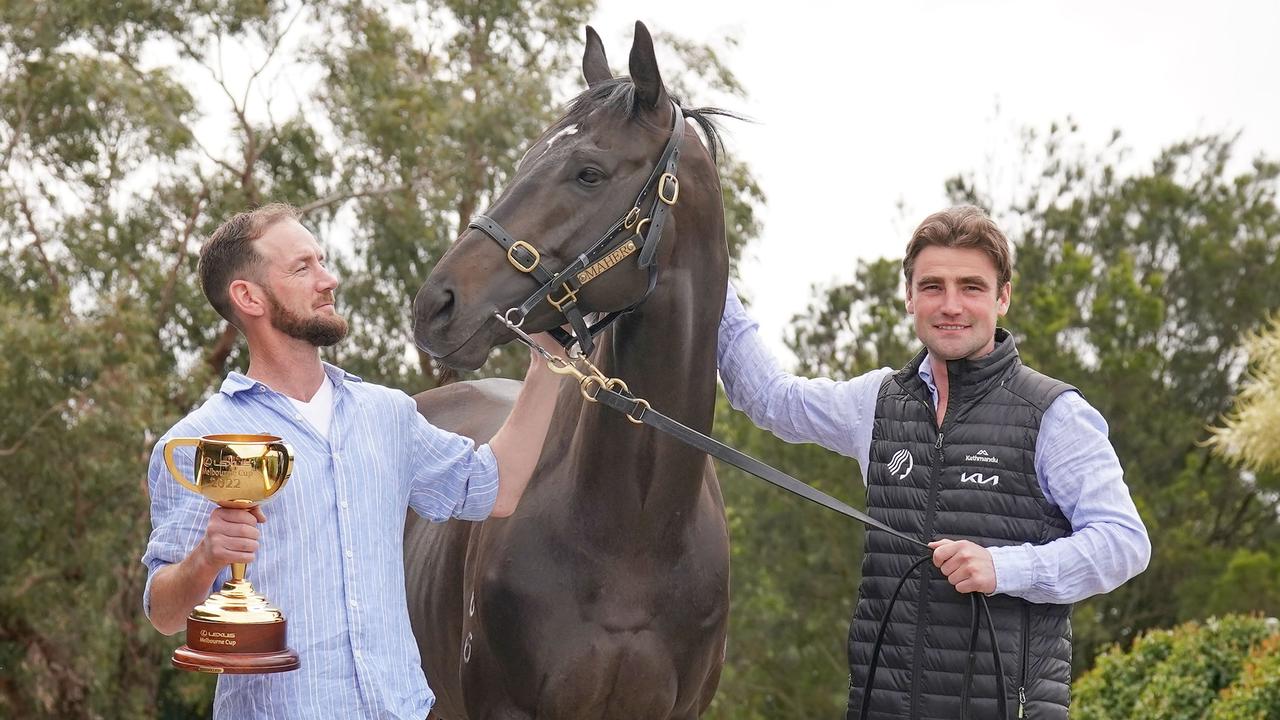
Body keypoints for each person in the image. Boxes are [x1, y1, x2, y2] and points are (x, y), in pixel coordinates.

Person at [717, 205, 1151, 720]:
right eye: (932, 287)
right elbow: (770, 397)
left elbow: (1124, 542)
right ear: (909, 297)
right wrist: (707, 262)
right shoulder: (876, 401)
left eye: (971, 287)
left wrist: (1002, 567)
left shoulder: (1055, 414)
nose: (950, 305)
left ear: (1003, 298)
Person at [141, 203, 562, 718]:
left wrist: (548, 361)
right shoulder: (198, 441)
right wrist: (206, 556)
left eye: (322, 261)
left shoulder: (387, 414)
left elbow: (496, 488)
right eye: (302, 268)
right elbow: (164, 613)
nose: (328, 279)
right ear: (249, 297)